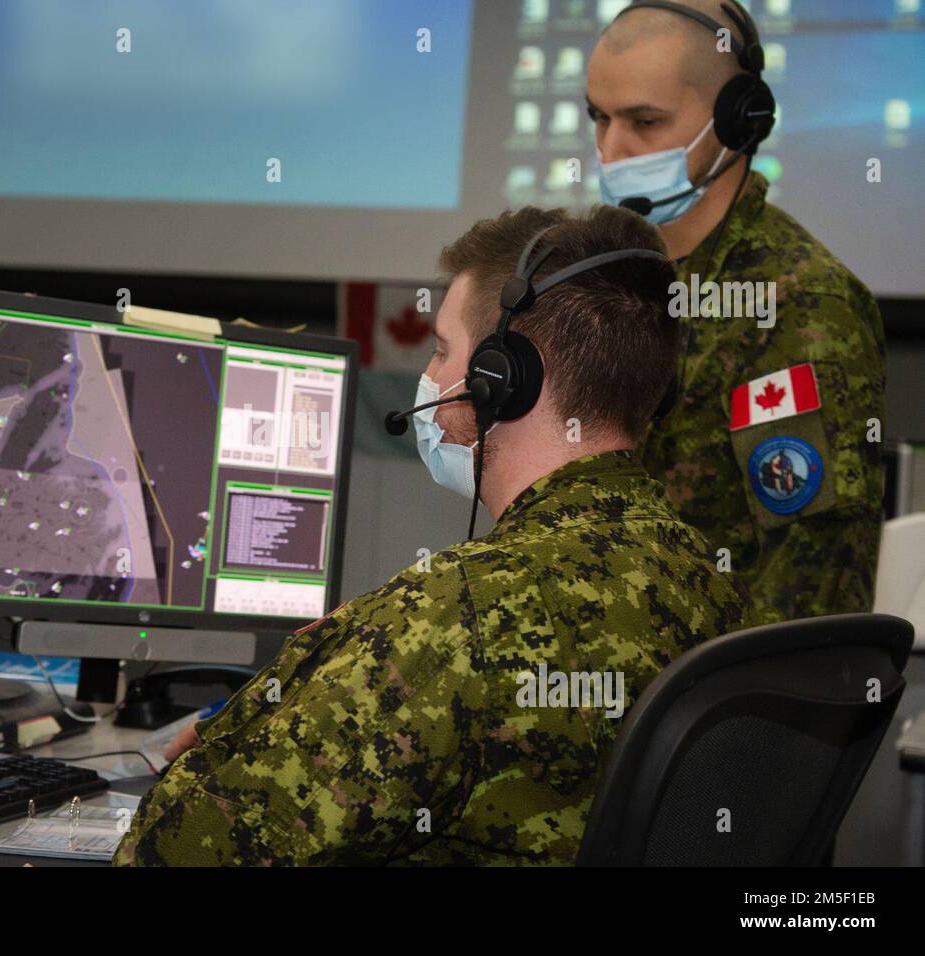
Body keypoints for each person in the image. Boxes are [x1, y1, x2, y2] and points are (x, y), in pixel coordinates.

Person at [112, 205, 756, 866]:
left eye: (445, 349)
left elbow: (171, 851)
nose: (431, 375)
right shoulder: (712, 580)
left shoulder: (455, 614)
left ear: (502, 380)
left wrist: (300, 683)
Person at [587, 0, 885, 621]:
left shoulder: (799, 305)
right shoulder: (604, 274)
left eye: (644, 122)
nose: (611, 149)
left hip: (706, 701)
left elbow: (811, 595)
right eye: (599, 118)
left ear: (737, 121)